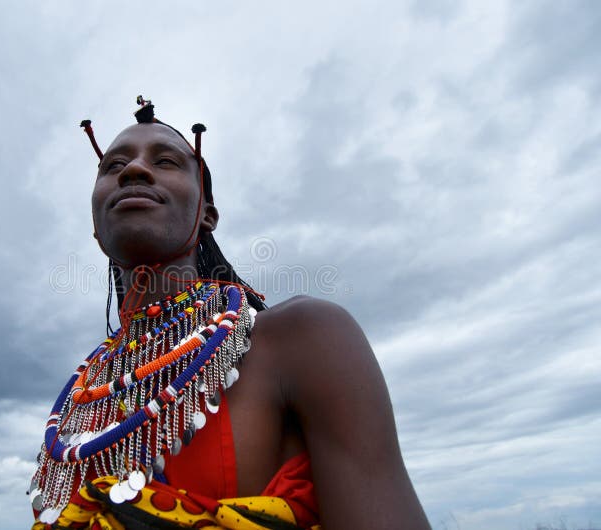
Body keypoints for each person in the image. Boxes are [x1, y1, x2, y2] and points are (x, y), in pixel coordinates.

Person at [29, 98, 431, 529]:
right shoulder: (84, 395)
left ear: (207, 214)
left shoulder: (304, 338)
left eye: (165, 161)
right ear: (95, 225)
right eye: (112, 167)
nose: (133, 171)